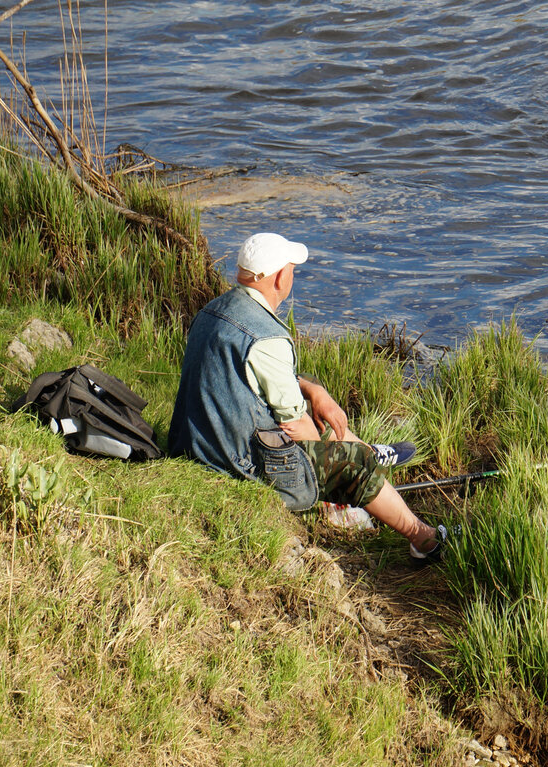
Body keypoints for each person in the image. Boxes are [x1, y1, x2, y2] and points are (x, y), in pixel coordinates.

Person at [168, 232, 449, 561]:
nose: (293, 276)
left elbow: (255, 375)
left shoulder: (213, 311)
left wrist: (316, 391)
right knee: (349, 463)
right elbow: (297, 424)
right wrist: (331, 455)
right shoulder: (267, 336)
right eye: (292, 270)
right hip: (234, 461)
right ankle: (424, 540)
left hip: (193, 443)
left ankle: (367, 455)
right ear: (279, 278)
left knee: (311, 402)